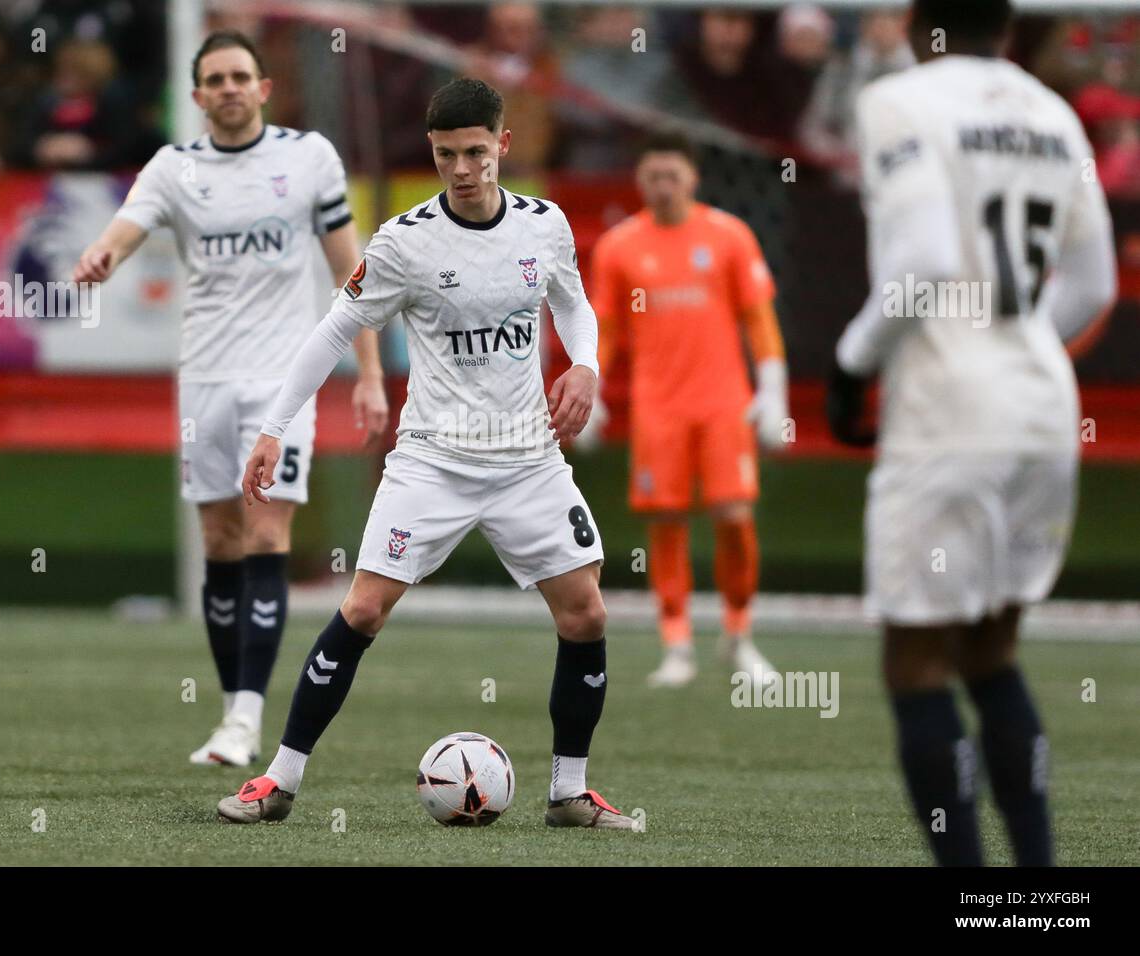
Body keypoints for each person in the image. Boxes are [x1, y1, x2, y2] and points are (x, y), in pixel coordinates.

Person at [217, 77, 638, 830]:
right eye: (447, 155)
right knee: (365, 608)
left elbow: (571, 299)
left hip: (526, 460)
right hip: (432, 461)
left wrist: (585, 363)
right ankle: (277, 782)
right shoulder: (405, 243)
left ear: (502, 144)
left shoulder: (544, 225)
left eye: (476, 152)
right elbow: (332, 333)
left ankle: (569, 792)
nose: (463, 169)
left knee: (586, 614)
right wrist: (276, 425)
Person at [827, 0, 1117, 865]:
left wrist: (850, 364)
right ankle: (1034, 889)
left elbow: (922, 263)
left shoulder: (901, 99)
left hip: (951, 406)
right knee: (992, 650)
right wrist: (1015, 340)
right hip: (1042, 402)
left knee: (916, 658)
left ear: (919, 19)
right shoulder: (1052, 112)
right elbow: (1092, 284)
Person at [72, 30, 388, 767]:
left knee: (266, 530)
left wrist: (369, 373)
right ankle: (229, 710)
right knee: (220, 540)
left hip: (283, 379)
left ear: (264, 87)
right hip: (205, 377)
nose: (229, 88)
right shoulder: (174, 168)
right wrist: (102, 257)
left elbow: (356, 276)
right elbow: (123, 232)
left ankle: (247, 720)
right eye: (214, 79)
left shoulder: (309, 159)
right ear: (196, 96)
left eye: (241, 75)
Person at [584, 132, 788, 688]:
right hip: (660, 410)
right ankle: (676, 643)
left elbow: (759, 319)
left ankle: (739, 633)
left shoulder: (728, 237)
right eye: (653, 176)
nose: (663, 186)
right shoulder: (620, 247)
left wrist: (773, 391)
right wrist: (592, 389)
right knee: (666, 522)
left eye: (673, 175)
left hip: (724, 404)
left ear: (693, 178)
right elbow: (605, 331)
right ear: (640, 180)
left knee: (734, 518)